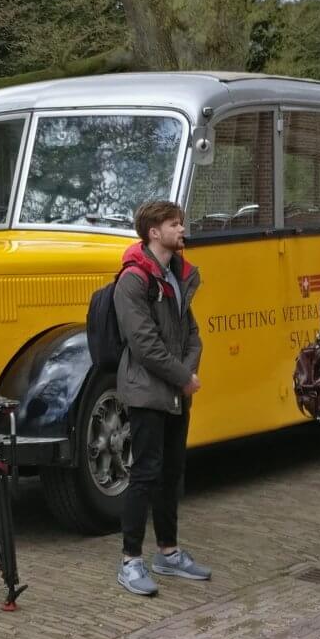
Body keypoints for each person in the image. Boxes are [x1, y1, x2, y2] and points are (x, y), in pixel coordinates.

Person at [114, 199, 209, 597]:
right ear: (154, 232)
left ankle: (167, 553)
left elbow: (192, 332)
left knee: (171, 472)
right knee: (145, 473)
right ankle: (130, 561)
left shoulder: (176, 275)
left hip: (173, 391)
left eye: (181, 223)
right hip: (147, 391)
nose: (182, 230)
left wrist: (186, 372)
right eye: (175, 224)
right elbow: (144, 344)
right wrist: (183, 376)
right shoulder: (133, 281)